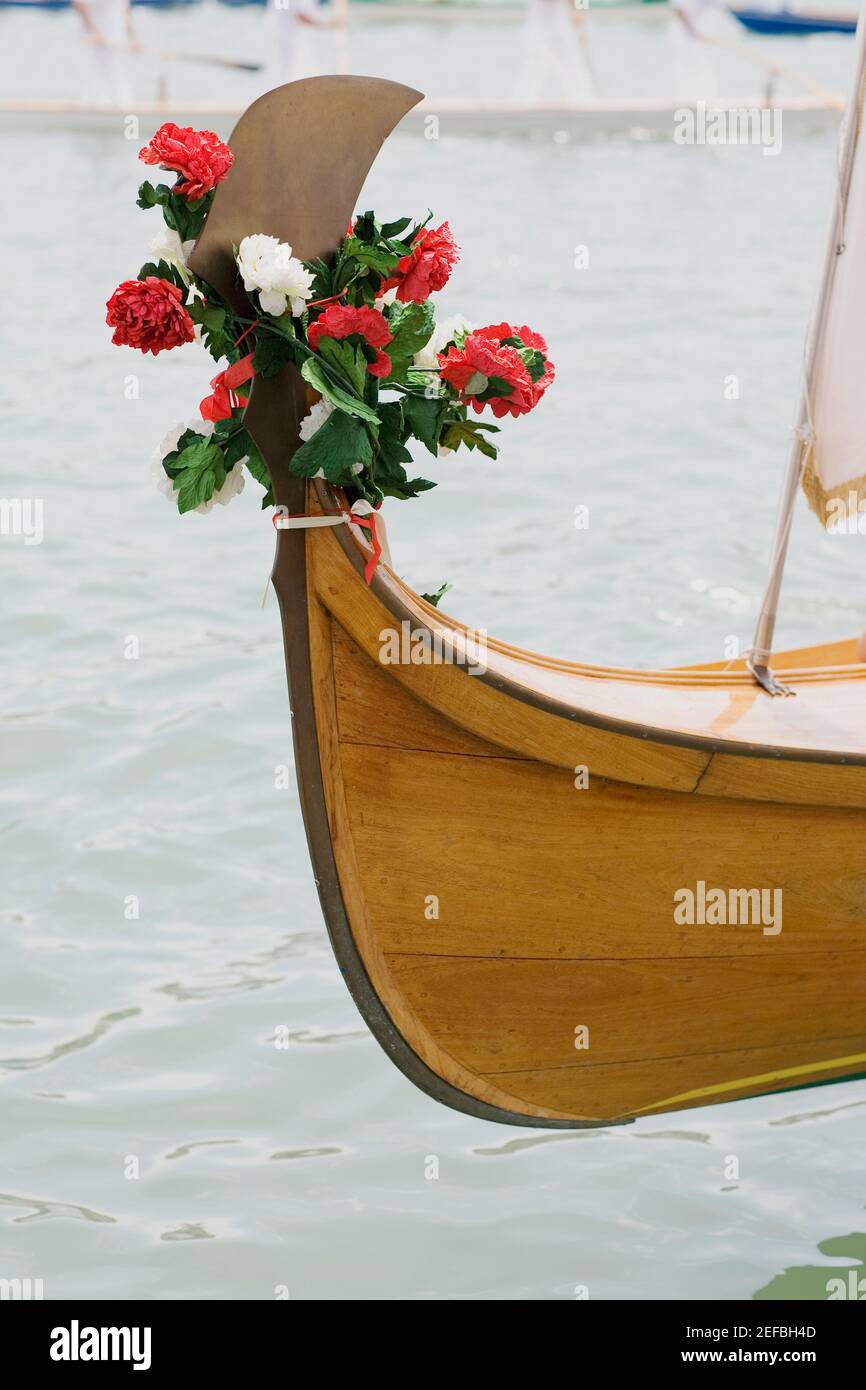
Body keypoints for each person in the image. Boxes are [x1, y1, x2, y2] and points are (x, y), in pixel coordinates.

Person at [513, 0, 595, 107]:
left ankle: (586, 104)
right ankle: (518, 106)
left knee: (576, 74)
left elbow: (581, 4)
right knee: (533, 71)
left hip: (561, 26)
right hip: (539, 27)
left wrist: (580, 13)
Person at [73, 0, 137, 107]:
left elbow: (124, 11)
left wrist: (133, 39)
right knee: (97, 80)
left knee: (119, 76)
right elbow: (79, 3)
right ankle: (94, 107)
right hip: (96, 41)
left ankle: (125, 107)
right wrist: (93, 31)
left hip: (118, 41)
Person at [268, 0, 345, 87]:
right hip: (289, 39)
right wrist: (328, 24)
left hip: (293, 38)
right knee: (290, 74)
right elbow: (297, 15)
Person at [670, 0, 724, 103]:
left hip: (703, 34)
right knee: (686, 66)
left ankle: (708, 98)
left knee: (707, 63)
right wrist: (693, 31)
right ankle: (685, 99)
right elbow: (678, 10)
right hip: (685, 34)